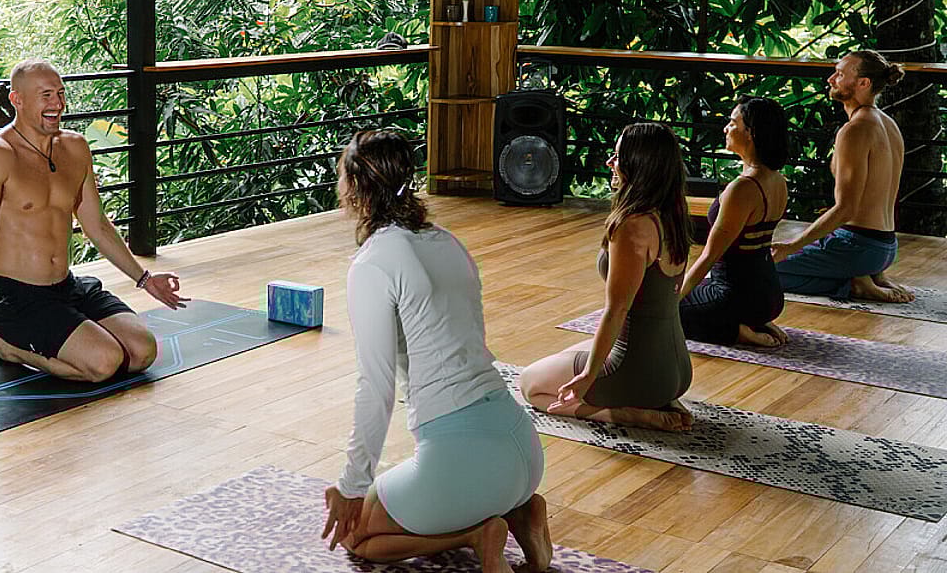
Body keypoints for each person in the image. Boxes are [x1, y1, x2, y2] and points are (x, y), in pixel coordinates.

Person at [321, 130, 552, 573]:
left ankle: (476, 533)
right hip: (523, 448)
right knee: (418, 489)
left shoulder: (373, 263)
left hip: (465, 462)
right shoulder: (446, 241)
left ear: (354, 189)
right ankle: (521, 512)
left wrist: (352, 485)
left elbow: (376, 387)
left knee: (356, 534)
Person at [0, 60, 185, 381]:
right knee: (104, 362)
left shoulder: (75, 147)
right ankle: (9, 346)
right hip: (16, 298)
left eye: (60, 94)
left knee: (142, 351)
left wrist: (145, 279)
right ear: (17, 100)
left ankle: (57, 338)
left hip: (66, 287)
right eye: (46, 95)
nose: (57, 104)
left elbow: (96, 223)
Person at [520, 123, 693, 432]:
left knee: (530, 384)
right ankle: (652, 399)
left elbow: (616, 311)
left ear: (638, 164)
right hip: (677, 368)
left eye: (617, 156)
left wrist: (587, 377)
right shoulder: (673, 214)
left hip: (641, 376)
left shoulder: (632, 226)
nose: (610, 163)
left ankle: (624, 413)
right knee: (568, 352)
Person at [772, 50, 912, 303]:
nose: (830, 79)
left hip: (857, 247)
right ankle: (866, 275)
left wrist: (791, 246)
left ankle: (854, 284)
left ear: (863, 83)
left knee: (754, 273)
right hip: (884, 247)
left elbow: (846, 209)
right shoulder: (888, 124)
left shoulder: (855, 129)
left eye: (840, 74)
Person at [679, 97, 789, 347]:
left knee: (658, 310)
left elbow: (709, 256)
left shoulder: (742, 188)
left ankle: (736, 330)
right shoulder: (778, 181)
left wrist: (669, 304)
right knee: (684, 294)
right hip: (770, 294)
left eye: (732, 122)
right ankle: (755, 321)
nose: (726, 128)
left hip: (735, 297)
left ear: (751, 133)